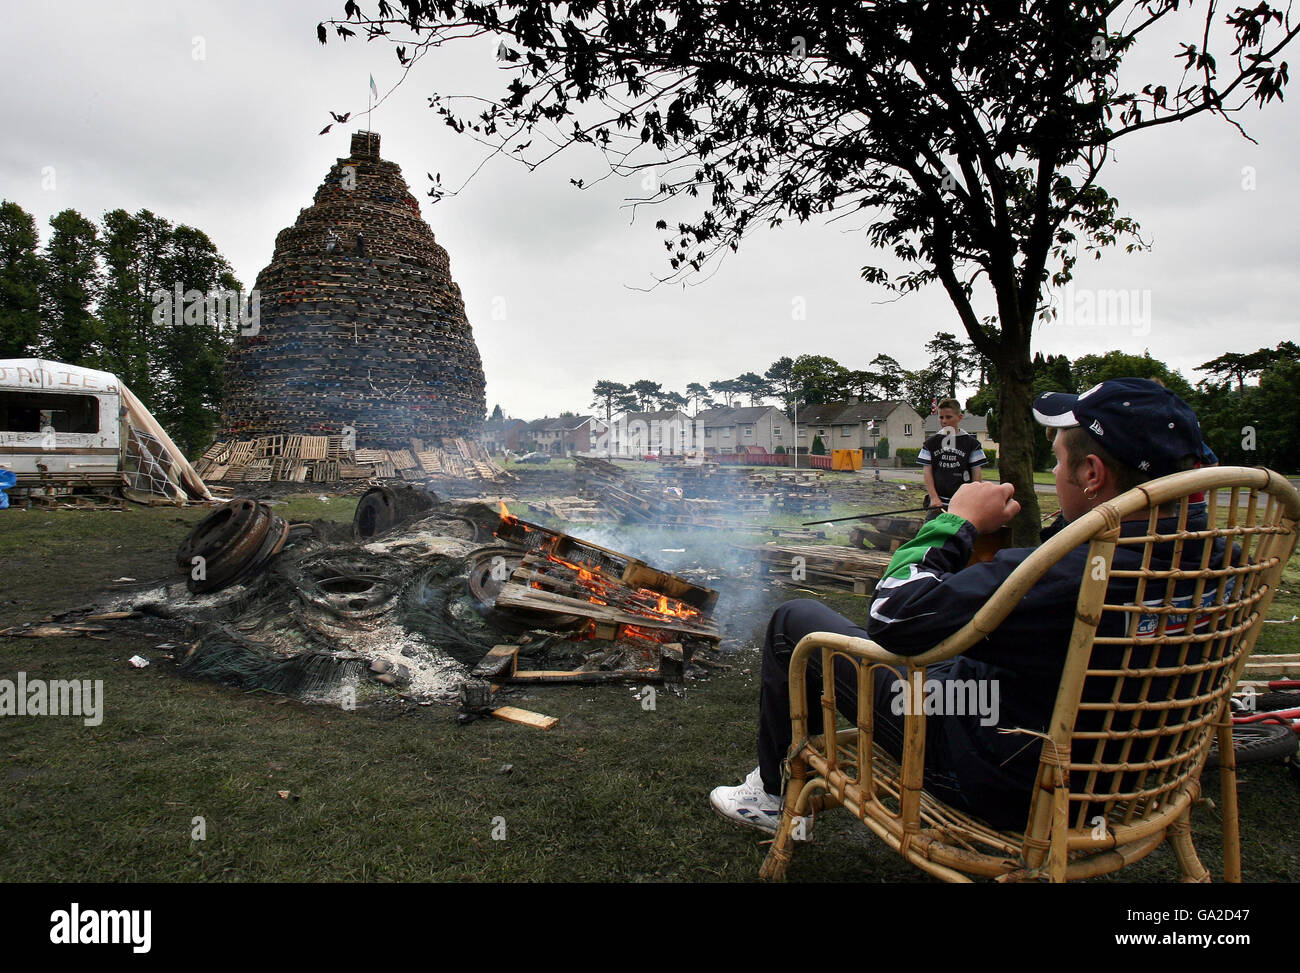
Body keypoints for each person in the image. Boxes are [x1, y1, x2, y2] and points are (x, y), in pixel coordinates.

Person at [710, 378, 1214, 835]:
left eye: (1058, 461)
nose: (1055, 472)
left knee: (792, 620)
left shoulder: (1058, 575)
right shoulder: (1219, 556)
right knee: (946, 648)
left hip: (1002, 780)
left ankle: (774, 796)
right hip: (1133, 778)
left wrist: (958, 521)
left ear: (1092, 473)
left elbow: (892, 618)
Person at [918, 398, 987, 519]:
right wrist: (934, 497)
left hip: (962, 504)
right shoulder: (930, 443)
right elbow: (927, 471)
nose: (944, 421)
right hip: (937, 504)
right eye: (941, 417)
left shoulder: (972, 444)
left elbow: (977, 475)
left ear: (959, 417)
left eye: (948, 417)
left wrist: (972, 498)